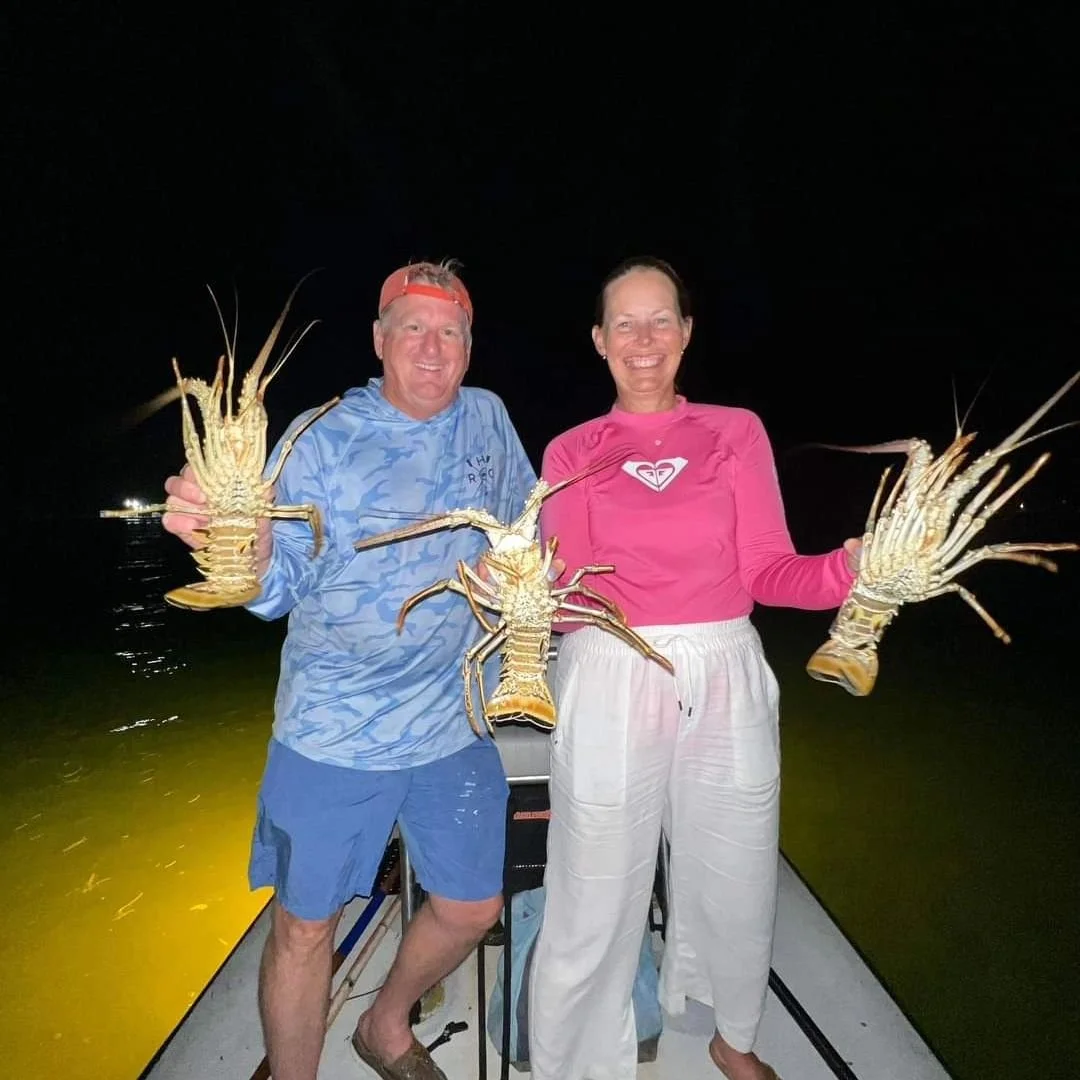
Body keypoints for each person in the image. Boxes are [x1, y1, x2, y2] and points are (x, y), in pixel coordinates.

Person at [161, 260, 537, 1080]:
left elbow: (529, 523)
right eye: (413, 328)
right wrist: (238, 546)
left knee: (473, 907)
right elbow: (278, 579)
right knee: (304, 927)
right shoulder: (317, 436)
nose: (432, 349)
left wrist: (528, 574)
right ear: (379, 340)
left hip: (452, 718)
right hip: (333, 728)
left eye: (451, 333)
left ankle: (385, 1026)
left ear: (470, 349)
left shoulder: (489, 421)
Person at [526, 256, 861, 1080]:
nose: (645, 340)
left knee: (738, 863)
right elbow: (563, 598)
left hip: (726, 664)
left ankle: (731, 1034)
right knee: (595, 883)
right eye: (626, 324)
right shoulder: (572, 448)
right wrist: (524, 595)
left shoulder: (734, 430)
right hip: (608, 669)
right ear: (600, 341)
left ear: (686, 332)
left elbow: (768, 571)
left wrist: (851, 569)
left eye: (661, 320)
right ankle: (574, 1060)